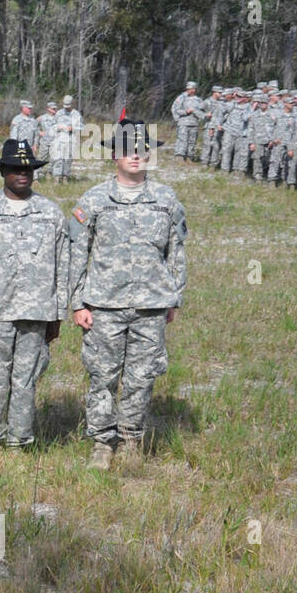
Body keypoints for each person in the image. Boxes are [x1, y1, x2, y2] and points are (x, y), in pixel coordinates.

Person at [70, 119, 186, 470]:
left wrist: (173, 299)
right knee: (102, 375)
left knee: (142, 376)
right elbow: (77, 252)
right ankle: (103, 443)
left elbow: (176, 253)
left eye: (141, 150)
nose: (135, 156)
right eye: (127, 150)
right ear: (114, 156)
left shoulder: (167, 200)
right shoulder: (94, 200)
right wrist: (77, 302)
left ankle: (132, 438)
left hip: (151, 305)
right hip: (104, 304)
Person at [0, 139, 68, 449]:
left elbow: (63, 266)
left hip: (36, 314)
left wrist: (57, 314)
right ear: (3, 170)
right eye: (16, 168)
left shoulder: (51, 213)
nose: (23, 173)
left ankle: (19, 440)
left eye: (28, 168)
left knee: (25, 381)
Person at [50, 95, 82, 183]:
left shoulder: (76, 114)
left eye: (68, 106)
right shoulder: (59, 113)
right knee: (59, 158)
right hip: (59, 139)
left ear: (72, 104)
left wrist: (73, 128)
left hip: (71, 139)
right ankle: (57, 177)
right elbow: (52, 125)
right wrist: (58, 127)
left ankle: (65, 177)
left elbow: (81, 127)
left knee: (68, 159)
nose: (67, 108)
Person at [170, 82, 202, 162]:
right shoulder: (181, 98)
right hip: (183, 123)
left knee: (192, 141)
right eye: (189, 88)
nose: (191, 90)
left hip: (194, 123)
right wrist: (185, 112)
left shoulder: (198, 100)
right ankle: (179, 157)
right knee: (182, 139)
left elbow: (202, 111)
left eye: (193, 88)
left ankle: (189, 157)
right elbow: (175, 109)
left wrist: (199, 118)